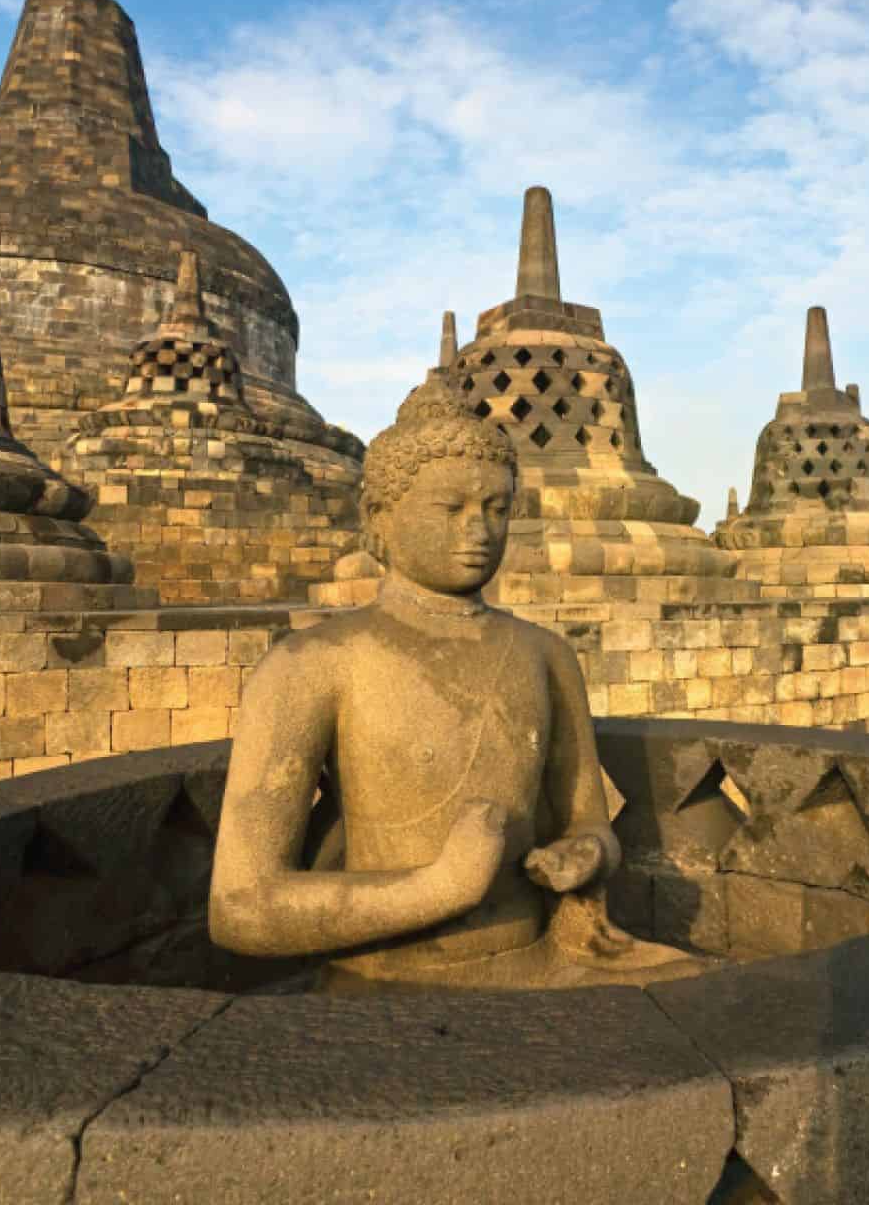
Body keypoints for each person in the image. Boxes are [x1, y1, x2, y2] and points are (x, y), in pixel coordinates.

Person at [207, 379, 697, 991]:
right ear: (380, 516)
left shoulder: (545, 655)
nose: (480, 531)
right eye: (451, 509)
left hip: (542, 962)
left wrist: (587, 855)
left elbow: (588, 824)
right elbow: (240, 906)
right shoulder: (313, 664)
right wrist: (439, 889)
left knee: (724, 997)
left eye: (496, 508)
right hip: (387, 981)